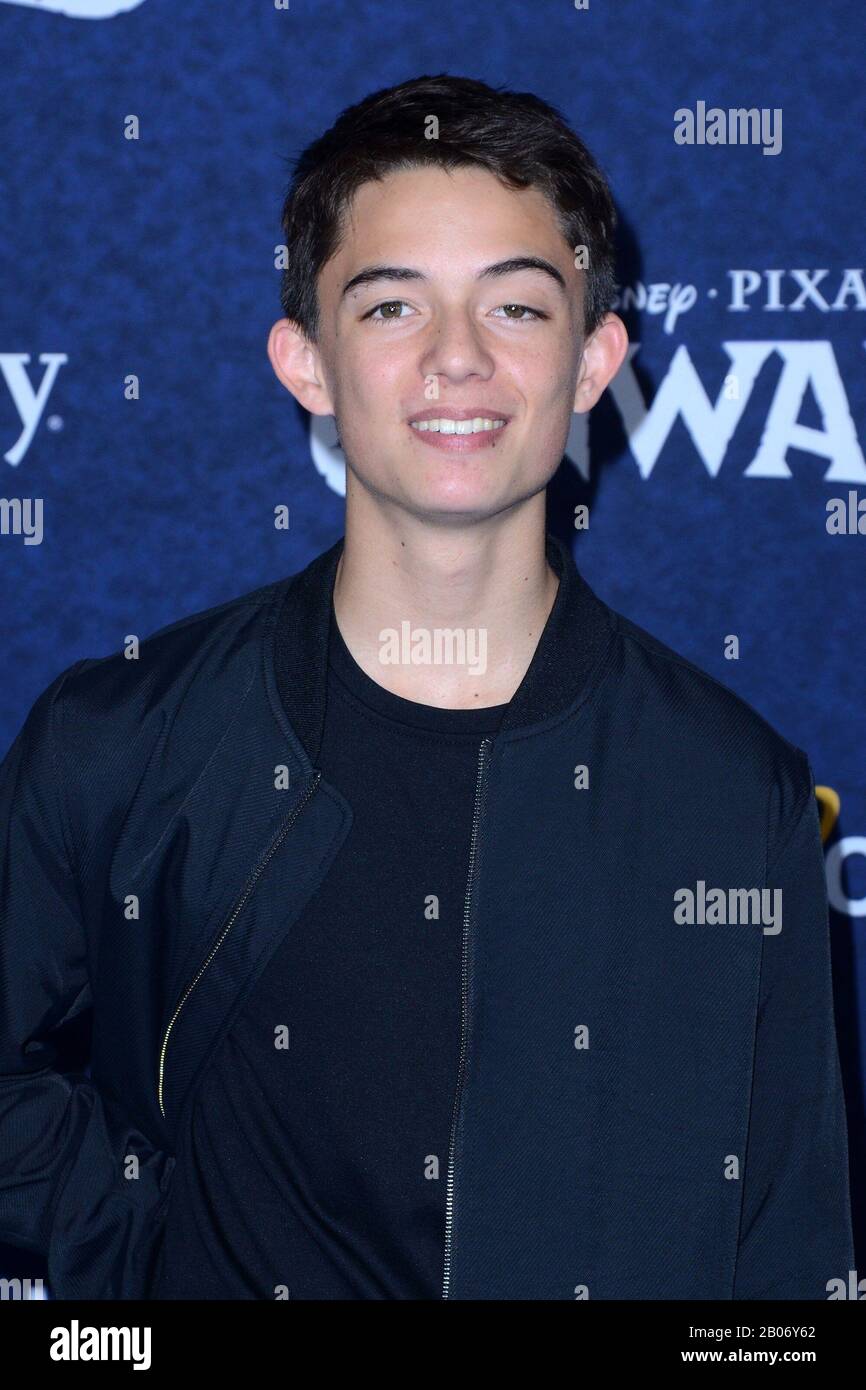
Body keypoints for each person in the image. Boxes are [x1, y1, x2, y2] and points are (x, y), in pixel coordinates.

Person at [0, 74, 853, 1300]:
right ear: (306, 363)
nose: (457, 360)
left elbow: (786, 1257)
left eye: (514, 306)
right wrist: (161, 1241)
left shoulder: (727, 791)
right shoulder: (124, 737)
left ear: (591, 359)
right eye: (393, 306)